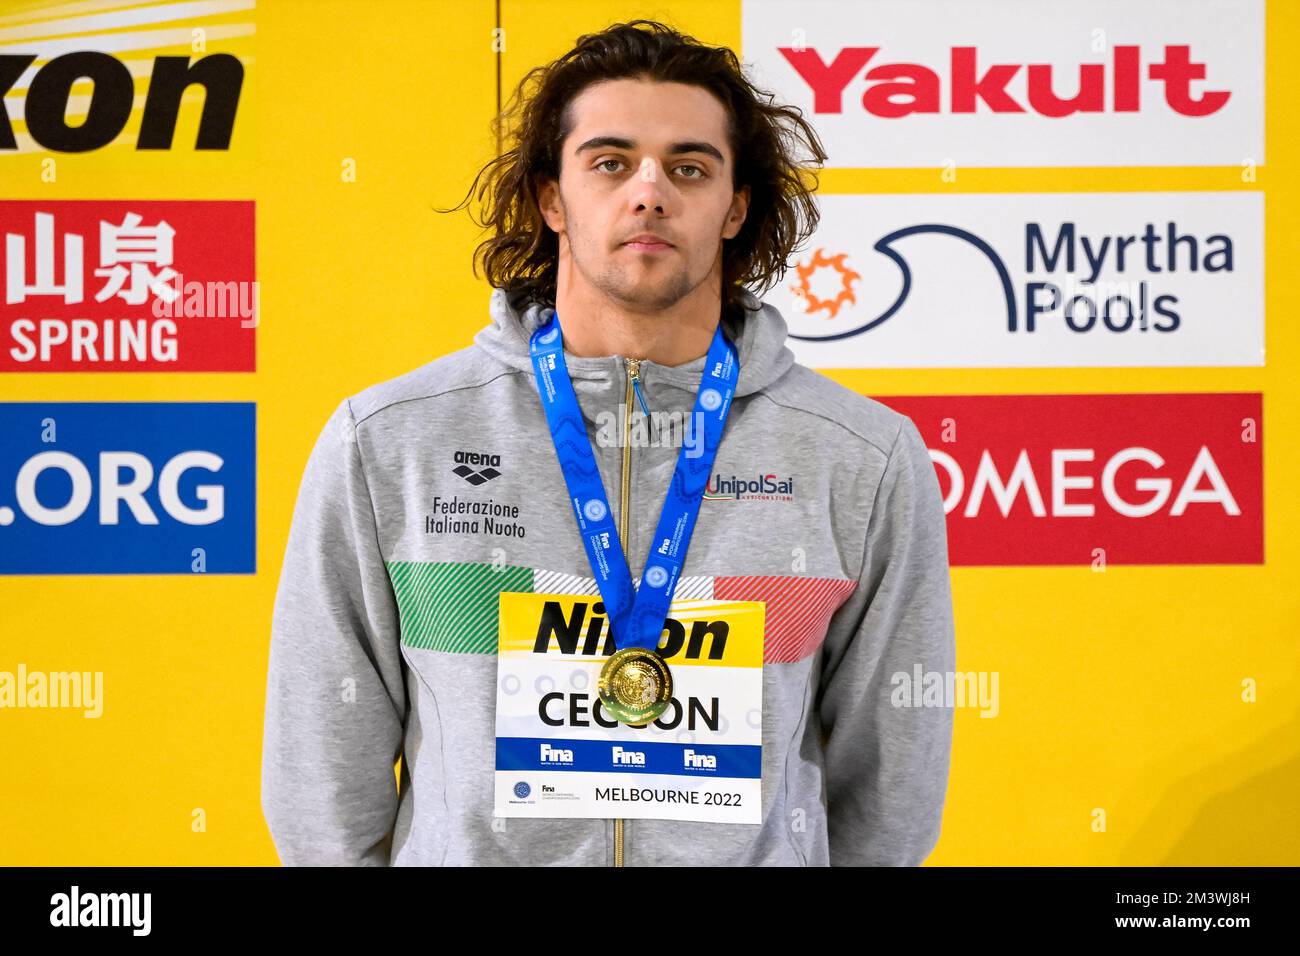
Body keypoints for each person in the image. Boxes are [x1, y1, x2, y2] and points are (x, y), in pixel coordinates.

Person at [260, 19, 955, 867]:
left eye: (690, 167)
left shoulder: (860, 458)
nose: (650, 192)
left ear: (737, 207)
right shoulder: (392, 443)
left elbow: (890, 798)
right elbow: (322, 788)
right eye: (611, 162)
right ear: (553, 197)